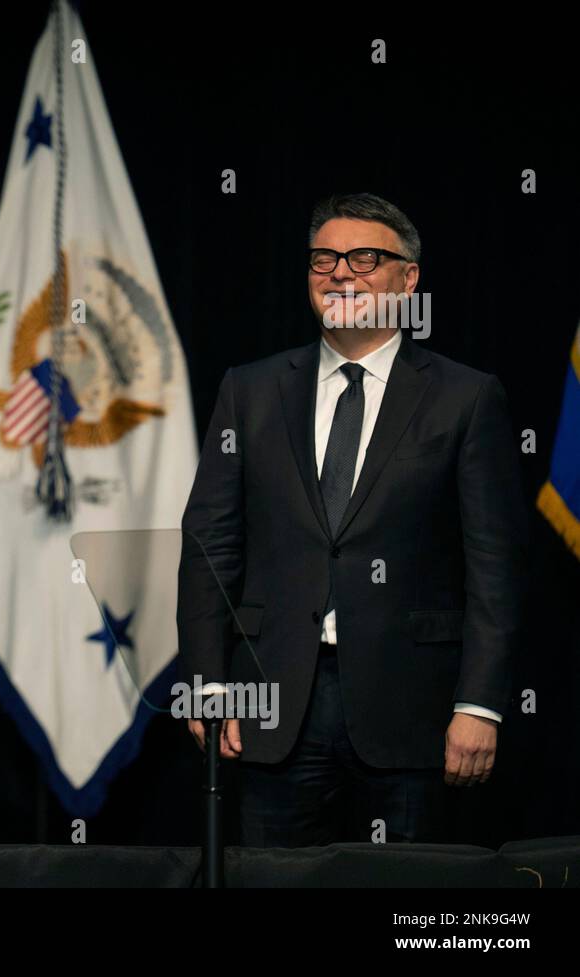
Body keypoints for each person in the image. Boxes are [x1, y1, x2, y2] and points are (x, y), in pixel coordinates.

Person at [178, 192, 527, 846]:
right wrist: (206, 680)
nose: (341, 273)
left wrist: (479, 704)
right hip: (271, 707)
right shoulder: (249, 391)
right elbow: (209, 547)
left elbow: (495, 569)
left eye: (365, 257)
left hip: (414, 714)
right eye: (324, 259)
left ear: (409, 277)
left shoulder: (467, 397)